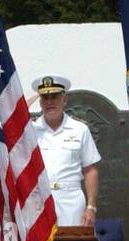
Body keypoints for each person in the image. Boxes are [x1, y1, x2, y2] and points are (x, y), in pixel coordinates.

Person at [28, 75, 101, 227]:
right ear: (40, 102)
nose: (50, 102)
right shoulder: (30, 131)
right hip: (39, 200)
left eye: (54, 96)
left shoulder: (80, 130)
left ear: (64, 100)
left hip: (71, 200)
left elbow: (90, 170)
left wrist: (91, 207)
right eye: (45, 98)